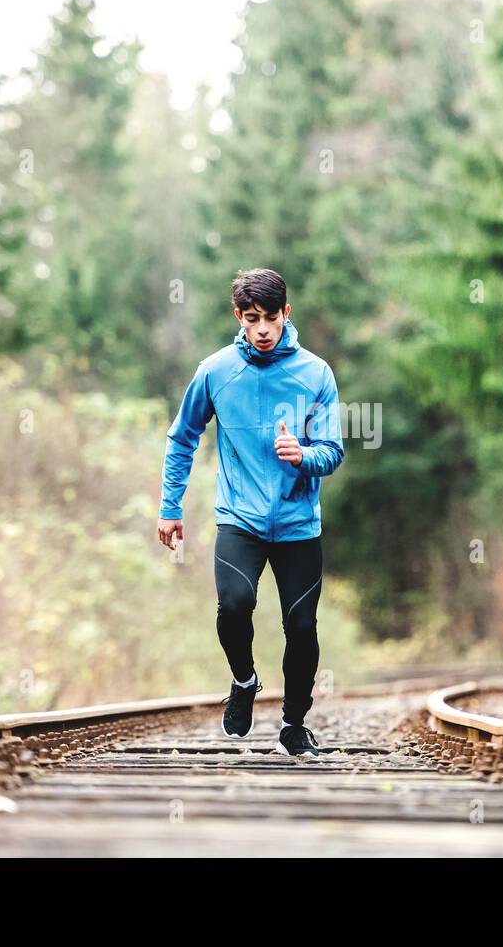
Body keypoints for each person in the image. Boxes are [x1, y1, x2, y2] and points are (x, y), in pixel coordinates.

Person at [156, 268, 345, 757]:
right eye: (252, 318)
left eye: (271, 318)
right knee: (235, 605)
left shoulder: (315, 373)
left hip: (298, 523)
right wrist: (170, 507)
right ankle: (244, 680)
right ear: (239, 317)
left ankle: (293, 724)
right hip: (239, 518)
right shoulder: (216, 371)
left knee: (301, 627)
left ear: (287, 314)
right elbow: (182, 438)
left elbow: (333, 450)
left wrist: (304, 455)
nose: (262, 329)